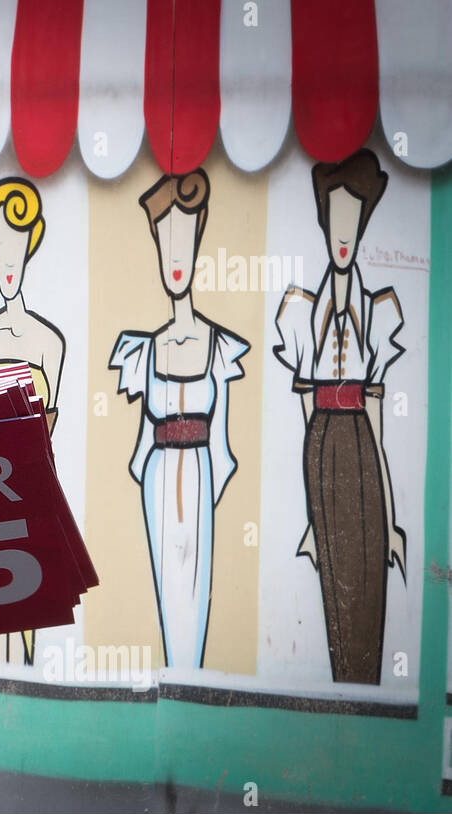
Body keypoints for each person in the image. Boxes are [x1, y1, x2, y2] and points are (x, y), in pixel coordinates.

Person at [273, 149, 405, 685]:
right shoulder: (303, 309)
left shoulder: (378, 311)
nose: (345, 235)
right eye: (337, 220)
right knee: (333, 571)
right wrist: (308, 513)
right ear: (325, 223)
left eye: (356, 221)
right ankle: (344, 685)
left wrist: (391, 517)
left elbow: (378, 414)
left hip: (362, 446)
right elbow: (307, 410)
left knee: (369, 566)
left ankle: (365, 685)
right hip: (322, 444)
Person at [109, 170, 248, 670]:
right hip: (159, 475)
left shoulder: (220, 345)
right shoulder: (143, 350)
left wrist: (206, 483)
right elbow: (142, 442)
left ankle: (188, 674)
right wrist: (151, 473)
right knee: (168, 581)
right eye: (166, 244)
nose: (176, 260)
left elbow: (226, 443)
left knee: (197, 577)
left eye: (184, 243)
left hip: (201, 472)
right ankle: (174, 665)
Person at [0, 177, 66, 665]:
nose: (7, 262)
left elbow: (52, 420)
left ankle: (24, 666)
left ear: (30, 250)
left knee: (28, 593)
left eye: (16, 247)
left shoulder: (50, 343)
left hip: (30, 482)